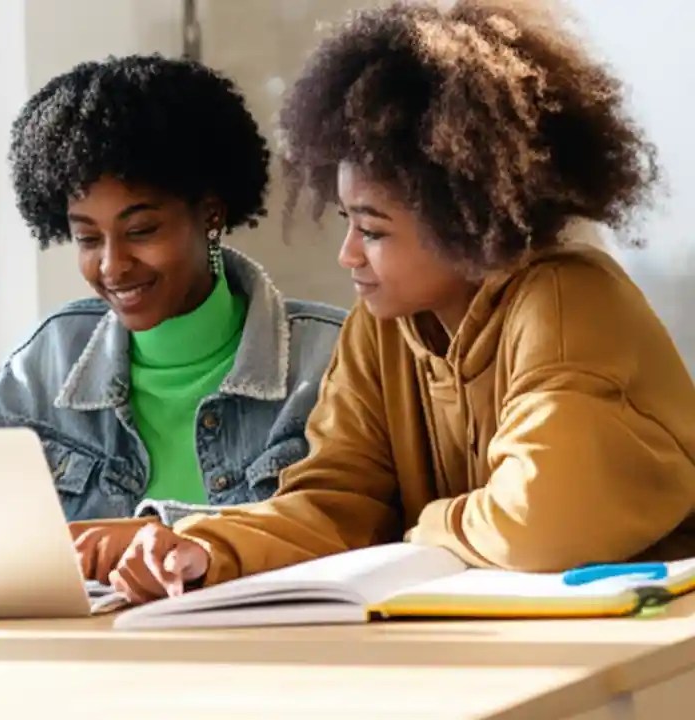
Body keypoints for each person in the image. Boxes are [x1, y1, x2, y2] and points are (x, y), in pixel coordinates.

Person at [102, 0, 695, 605]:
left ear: (465, 220)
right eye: (346, 221)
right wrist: (207, 549)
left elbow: (541, 521)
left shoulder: (565, 300)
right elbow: (335, 504)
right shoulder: (381, 327)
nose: (348, 254)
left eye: (374, 231)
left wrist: (422, 527)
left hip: (649, 649)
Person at [0, 54, 345, 581]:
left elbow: (359, 533)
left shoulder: (329, 363)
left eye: (141, 231)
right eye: (87, 238)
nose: (112, 265)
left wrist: (180, 536)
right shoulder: (43, 367)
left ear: (211, 214)